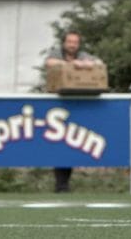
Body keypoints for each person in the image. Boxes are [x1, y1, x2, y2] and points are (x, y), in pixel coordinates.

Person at [43, 31, 103, 192]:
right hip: (56, 106)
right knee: (58, 144)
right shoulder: (57, 53)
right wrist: (71, 65)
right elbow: (49, 62)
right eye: (70, 42)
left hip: (76, 105)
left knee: (72, 144)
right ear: (64, 43)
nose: (72, 45)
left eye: (75, 42)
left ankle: (65, 184)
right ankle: (60, 184)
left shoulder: (83, 54)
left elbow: (97, 63)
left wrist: (87, 64)